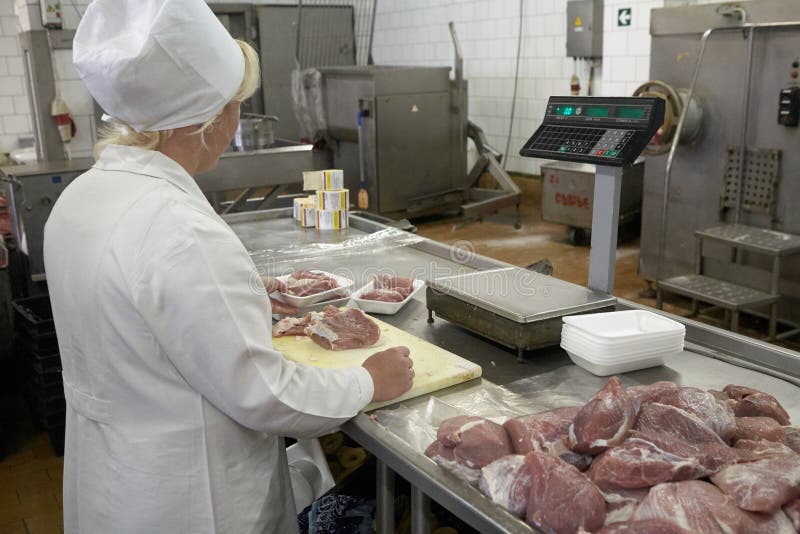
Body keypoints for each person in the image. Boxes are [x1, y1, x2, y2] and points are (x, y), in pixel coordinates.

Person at [43, 1, 414, 532]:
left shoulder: (81, 199)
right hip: (190, 498)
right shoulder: (178, 228)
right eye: (236, 102)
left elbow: (136, 319)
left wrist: (236, 294)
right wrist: (366, 382)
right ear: (211, 117)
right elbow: (263, 392)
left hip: (117, 482)